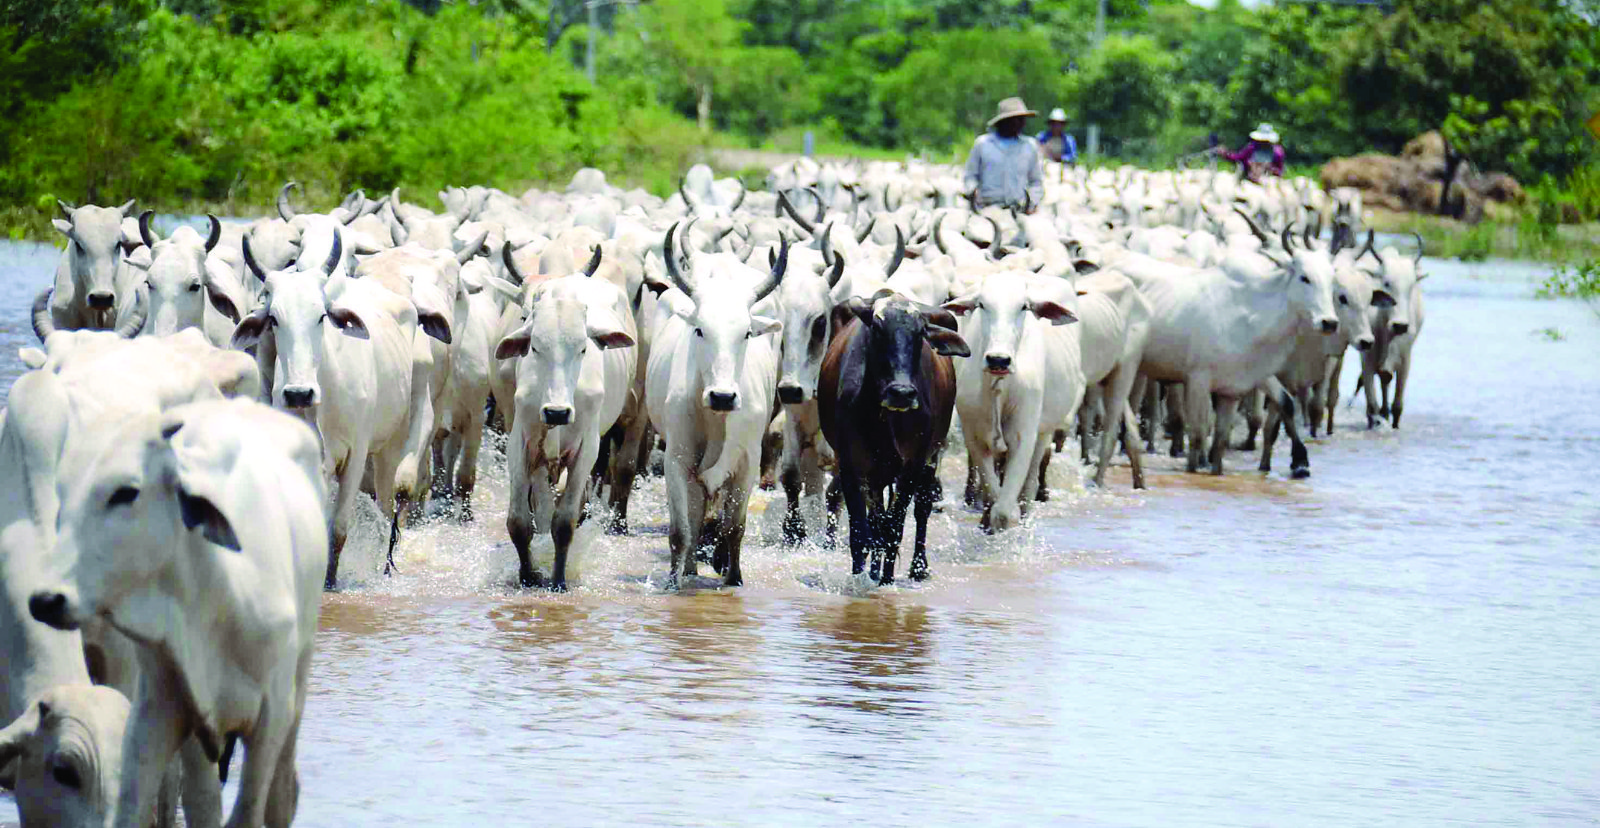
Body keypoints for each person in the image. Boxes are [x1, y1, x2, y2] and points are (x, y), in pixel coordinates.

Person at [964, 97, 1044, 212]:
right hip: (986, 209)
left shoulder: (1030, 146)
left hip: (1018, 210)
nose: (1022, 123)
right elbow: (970, 176)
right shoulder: (983, 144)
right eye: (1017, 119)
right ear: (1004, 121)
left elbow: (1036, 181)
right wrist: (973, 192)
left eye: (1023, 119)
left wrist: (1033, 200)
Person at [1216, 122, 1286, 182]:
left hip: (1269, 181)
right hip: (1249, 179)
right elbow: (1238, 157)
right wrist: (1225, 153)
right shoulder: (1252, 147)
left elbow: (1279, 170)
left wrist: (1269, 168)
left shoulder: (1277, 152)